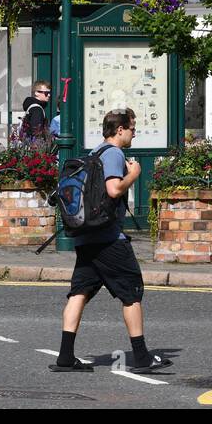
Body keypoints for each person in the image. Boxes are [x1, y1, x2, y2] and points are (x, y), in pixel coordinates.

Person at [51, 108, 171, 374]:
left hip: (86, 238)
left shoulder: (95, 152)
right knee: (131, 293)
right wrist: (135, 175)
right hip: (108, 240)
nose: (134, 132)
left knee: (79, 292)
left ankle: (65, 356)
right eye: (132, 128)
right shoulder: (115, 154)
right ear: (120, 130)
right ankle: (141, 357)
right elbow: (114, 188)